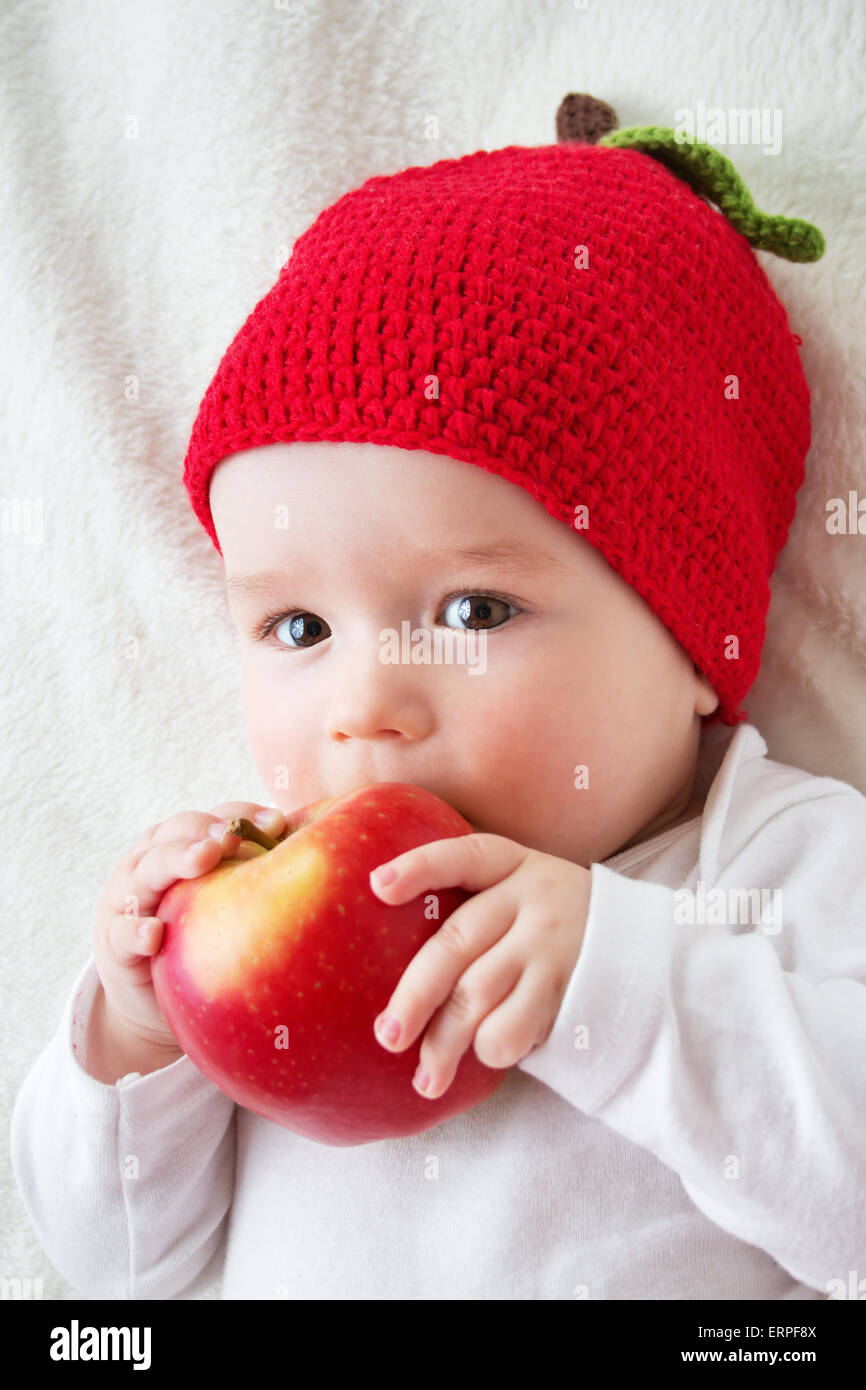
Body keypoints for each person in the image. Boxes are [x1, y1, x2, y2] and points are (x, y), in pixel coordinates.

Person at [11, 94, 866, 1300]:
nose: (365, 706)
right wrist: (137, 1037)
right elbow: (113, 1270)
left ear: (687, 636)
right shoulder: (238, 912)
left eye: (473, 612)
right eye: (296, 627)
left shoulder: (779, 869)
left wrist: (615, 986)